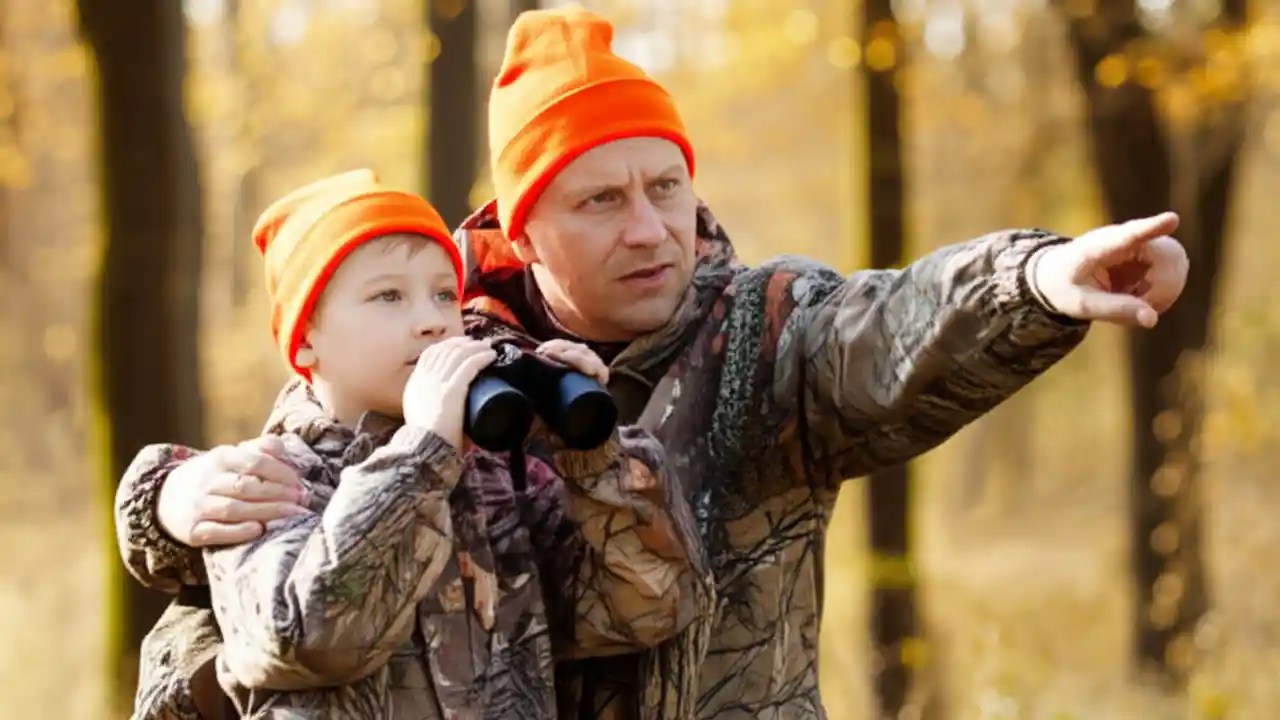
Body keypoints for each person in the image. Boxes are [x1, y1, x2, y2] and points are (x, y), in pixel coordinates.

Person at [120, 7, 1190, 718]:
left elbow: (890, 324)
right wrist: (163, 503)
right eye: (600, 200)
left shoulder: (765, 332)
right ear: (523, 230)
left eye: (664, 188)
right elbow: (257, 568)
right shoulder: (422, 362)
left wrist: (1036, 282)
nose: (650, 230)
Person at [115, 170, 710, 718]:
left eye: (444, 294)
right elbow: (307, 640)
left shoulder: (494, 479)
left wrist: (593, 455)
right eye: (388, 297)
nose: (431, 321)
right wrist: (421, 454)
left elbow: (646, 608)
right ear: (305, 345)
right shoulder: (264, 483)